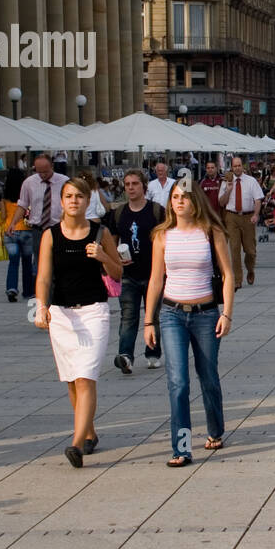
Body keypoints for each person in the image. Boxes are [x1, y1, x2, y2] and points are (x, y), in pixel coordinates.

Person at [144, 180, 235, 467]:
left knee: (208, 376)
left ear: (195, 200)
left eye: (185, 197)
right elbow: (156, 279)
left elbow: (228, 274)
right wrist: (149, 321)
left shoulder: (211, 232)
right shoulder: (162, 235)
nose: (179, 202)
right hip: (172, 314)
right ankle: (181, 448)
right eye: (175, 197)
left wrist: (227, 313)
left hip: (206, 313)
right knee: (178, 382)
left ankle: (215, 429)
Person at [33, 178, 122, 468]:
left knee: (85, 377)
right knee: (72, 380)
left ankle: (75, 443)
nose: (74, 201)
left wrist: (103, 256)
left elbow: (119, 273)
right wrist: (41, 307)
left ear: (88, 201)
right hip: (61, 315)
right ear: (61, 201)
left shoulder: (100, 233)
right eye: (68, 196)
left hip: (94, 312)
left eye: (79, 197)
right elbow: (44, 276)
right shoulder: (50, 235)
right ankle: (89, 432)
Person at [100, 169, 166, 374]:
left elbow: (165, 239)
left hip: (153, 272)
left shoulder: (157, 211)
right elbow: (112, 240)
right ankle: (125, 355)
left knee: (153, 315)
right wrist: (114, 261)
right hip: (128, 274)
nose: (130, 188)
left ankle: (153, 353)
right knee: (128, 316)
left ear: (144, 186)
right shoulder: (119, 213)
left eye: (135, 184)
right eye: (127, 184)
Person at [7, 155, 69, 293]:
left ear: (52, 166)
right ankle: (42, 292)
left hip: (59, 228)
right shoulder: (29, 182)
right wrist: (13, 223)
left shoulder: (64, 181)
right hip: (38, 229)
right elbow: (22, 205)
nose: (42, 175)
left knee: (60, 260)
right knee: (40, 263)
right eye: (39, 172)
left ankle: (59, 289)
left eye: (45, 171)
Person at [218, 156, 263, 288]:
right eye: (234, 166)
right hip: (231, 217)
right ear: (231, 167)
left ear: (242, 166)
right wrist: (228, 190)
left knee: (250, 250)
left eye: (239, 165)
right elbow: (221, 202)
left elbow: (258, 200)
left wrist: (256, 214)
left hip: (247, 216)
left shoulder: (251, 181)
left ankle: (250, 269)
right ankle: (237, 279)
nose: (237, 168)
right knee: (234, 249)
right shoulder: (226, 182)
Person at [0, 166, 33, 303]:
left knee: (13, 262)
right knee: (27, 262)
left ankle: (11, 288)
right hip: (26, 230)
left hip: (10, 231)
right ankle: (28, 291)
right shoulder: (26, 195)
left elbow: (2, 216)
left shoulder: (5, 197)